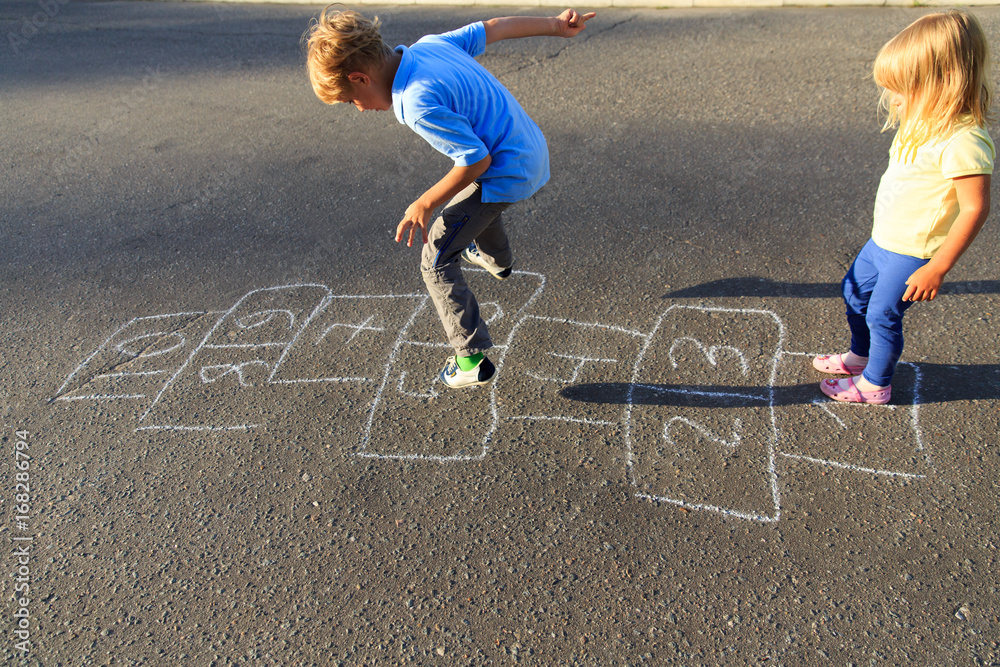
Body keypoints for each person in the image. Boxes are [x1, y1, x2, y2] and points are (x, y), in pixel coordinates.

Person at [304, 7, 595, 388]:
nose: (357, 109)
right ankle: (496, 260)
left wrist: (424, 203)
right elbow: (493, 27)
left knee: (437, 257)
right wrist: (555, 26)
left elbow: (475, 161)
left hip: (506, 170)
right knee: (476, 204)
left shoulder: (415, 102)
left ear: (360, 78)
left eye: (349, 100)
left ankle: (471, 358)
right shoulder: (430, 46)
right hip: (529, 149)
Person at [814, 9, 993, 404]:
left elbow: (974, 208)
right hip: (883, 239)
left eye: (902, 88)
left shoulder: (964, 141)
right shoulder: (922, 117)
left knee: (882, 314)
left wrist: (938, 267)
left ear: (944, 82)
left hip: (914, 252)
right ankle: (860, 357)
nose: (894, 98)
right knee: (854, 295)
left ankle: (876, 383)